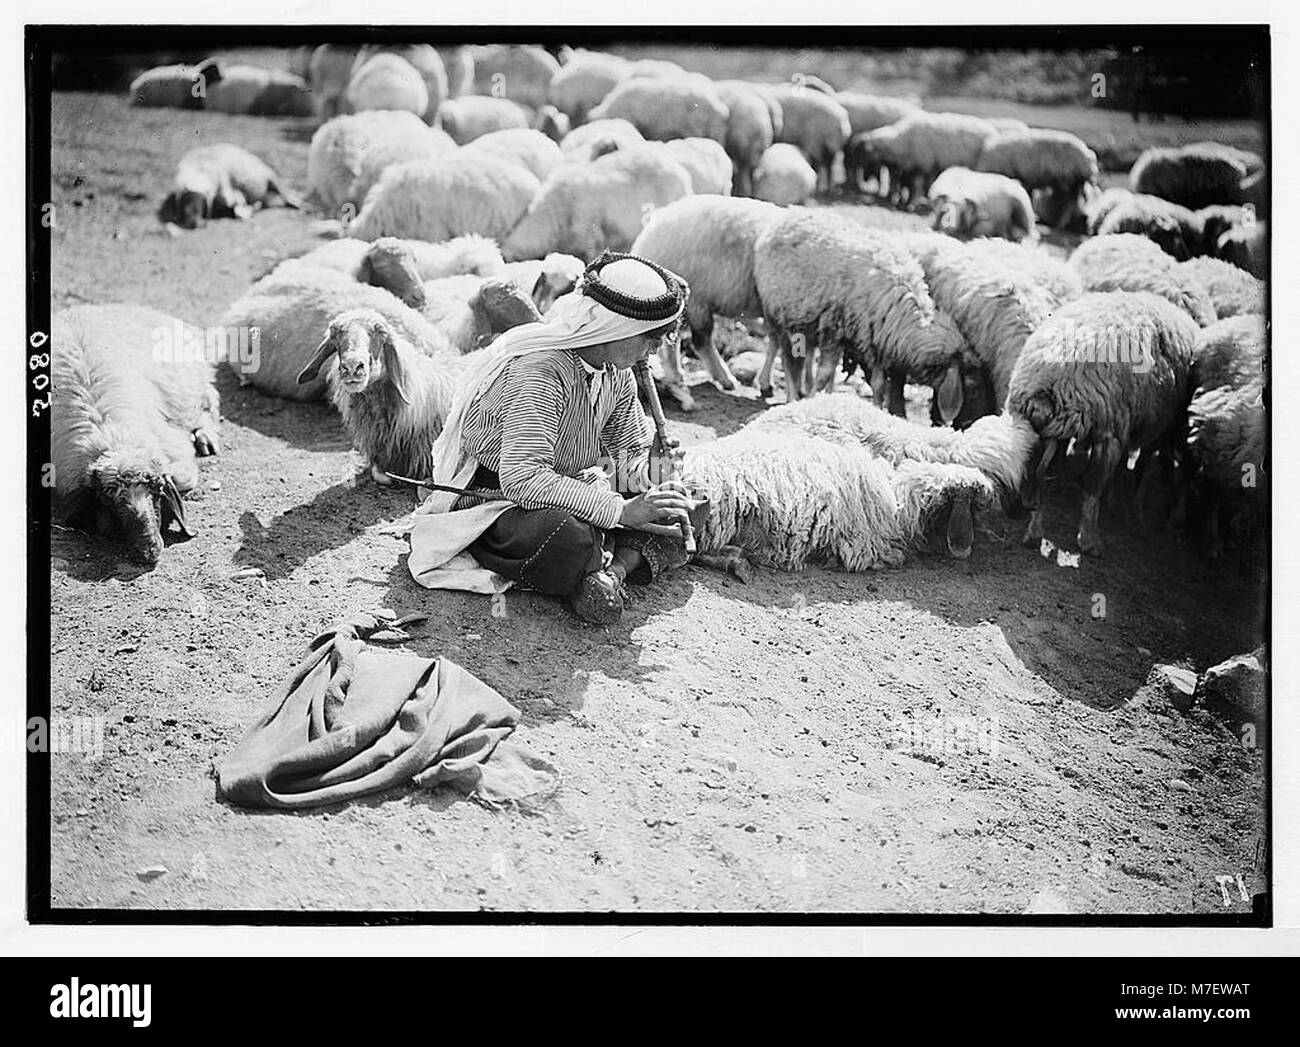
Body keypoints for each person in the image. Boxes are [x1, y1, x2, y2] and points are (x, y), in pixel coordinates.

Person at [407, 251, 707, 625]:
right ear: (615, 327)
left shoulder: (617, 371)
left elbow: (625, 458)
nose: (655, 351)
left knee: (691, 500)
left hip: (575, 487)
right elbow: (522, 477)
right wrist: (622, 512)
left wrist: (652, 468)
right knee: (567, 538)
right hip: (499, 500)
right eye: (651, 338)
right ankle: (598, 561)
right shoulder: (542, 371)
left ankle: (611, 575)